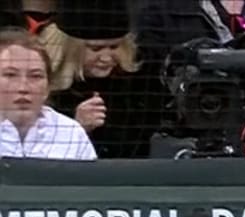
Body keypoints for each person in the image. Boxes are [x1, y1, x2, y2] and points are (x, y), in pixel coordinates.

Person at [39, 0, 163, 159]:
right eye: (95, 49)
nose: (106, 58)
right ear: (69, 48)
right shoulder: (43, 90)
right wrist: (76, 127)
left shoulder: (141, 86)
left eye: (114, 47)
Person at [0, 27, 94, 159]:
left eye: (35, 76)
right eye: (10, 75)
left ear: (48, 87)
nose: (23, 87)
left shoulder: (71, 132)